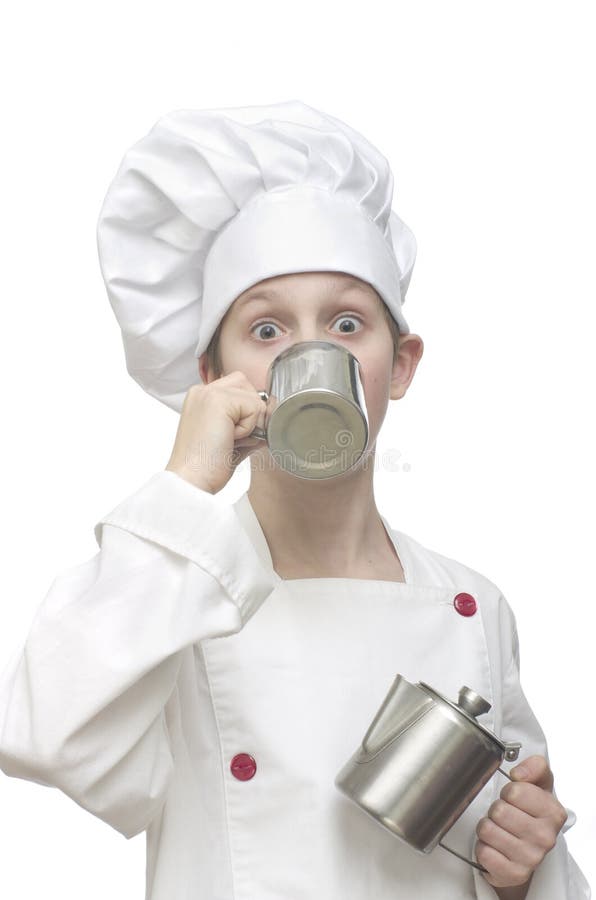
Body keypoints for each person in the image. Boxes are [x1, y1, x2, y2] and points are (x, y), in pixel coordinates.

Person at [0, 100, 590, 900]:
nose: (312, 352)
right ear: (214, 378)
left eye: (346, 323)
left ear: (400, 364)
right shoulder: (172, 594)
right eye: (268, 331)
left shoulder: (473, 607)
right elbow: (43, 736)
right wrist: (186, 482)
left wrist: (524, 870)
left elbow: (515, 858)